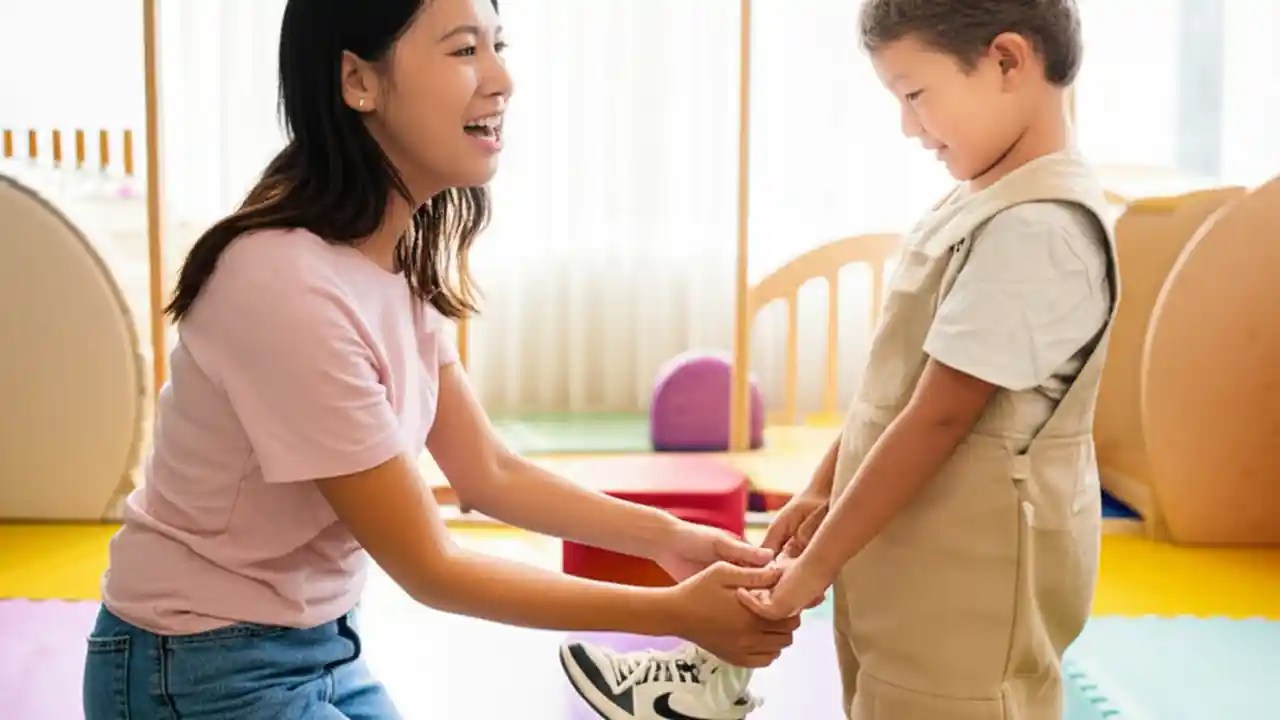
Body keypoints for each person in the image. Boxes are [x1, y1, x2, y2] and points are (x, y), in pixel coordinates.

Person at [80, 1, 800, 718]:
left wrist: (669, 540)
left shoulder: (394, 267)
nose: (501, 79)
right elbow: (433, 567)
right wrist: (674, 612)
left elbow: (488, 472)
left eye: (498, 45)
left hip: (322, 646)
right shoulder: (283, 283)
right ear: (359, 81)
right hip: (193, 666)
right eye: (463, 51)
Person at [560, 1, 1118, 718]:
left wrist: (812, 571)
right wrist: (824, 486)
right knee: (883, 696)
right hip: (913, 553)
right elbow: (900, 388)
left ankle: (706, 676)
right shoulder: (980, 201)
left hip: (972, 580)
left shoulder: (1039, 229)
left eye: (915, 95)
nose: (909, 127)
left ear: (1008, 61)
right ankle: (707, 671)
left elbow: (941, 418)